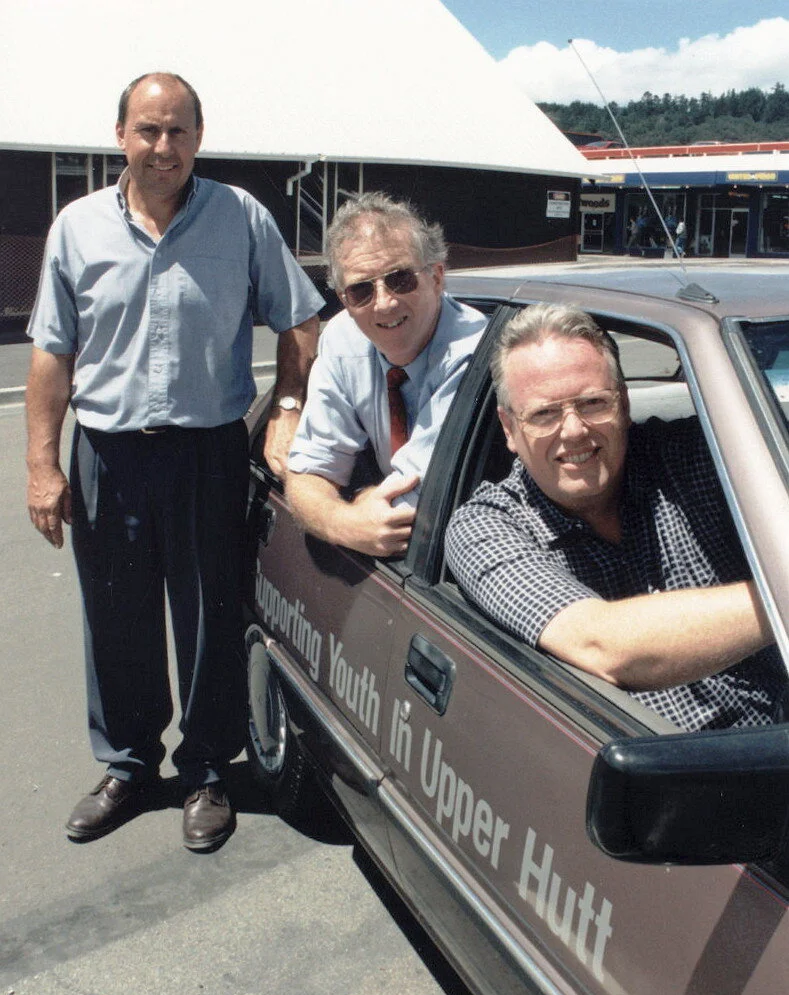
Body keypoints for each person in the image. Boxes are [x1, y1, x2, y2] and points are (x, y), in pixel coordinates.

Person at [26, 71, 323, 850]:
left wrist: (286, 410)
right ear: (120, 135)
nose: (164, 147)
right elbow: (53, 355)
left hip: (206, 453)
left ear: (199, 137)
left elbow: (299, 322)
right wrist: (41, 465)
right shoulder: (77, 227)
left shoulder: (240, 218)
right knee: (115, 620)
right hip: (107, 454)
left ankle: (204, 770)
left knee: (208, 617)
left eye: (179, 131)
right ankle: (127, 764)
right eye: (148, 130)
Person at [445, 304, 784, 732]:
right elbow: (605, 645)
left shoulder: (692, 457)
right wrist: (781, 599)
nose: (573, 431)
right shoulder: (486, 528)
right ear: (509, 429)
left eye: (592, 403)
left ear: (623, 404)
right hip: (664, 778)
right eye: (544, 414)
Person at [286, 193, 487, 557]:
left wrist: (351, 499)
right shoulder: (342, 337)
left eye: (400, 279)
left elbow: (412, 506)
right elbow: (305, 474)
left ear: (437, 277)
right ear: (344, 300)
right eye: (361, 290)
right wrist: (340, 521)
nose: (384, 302)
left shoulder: (474, 353)